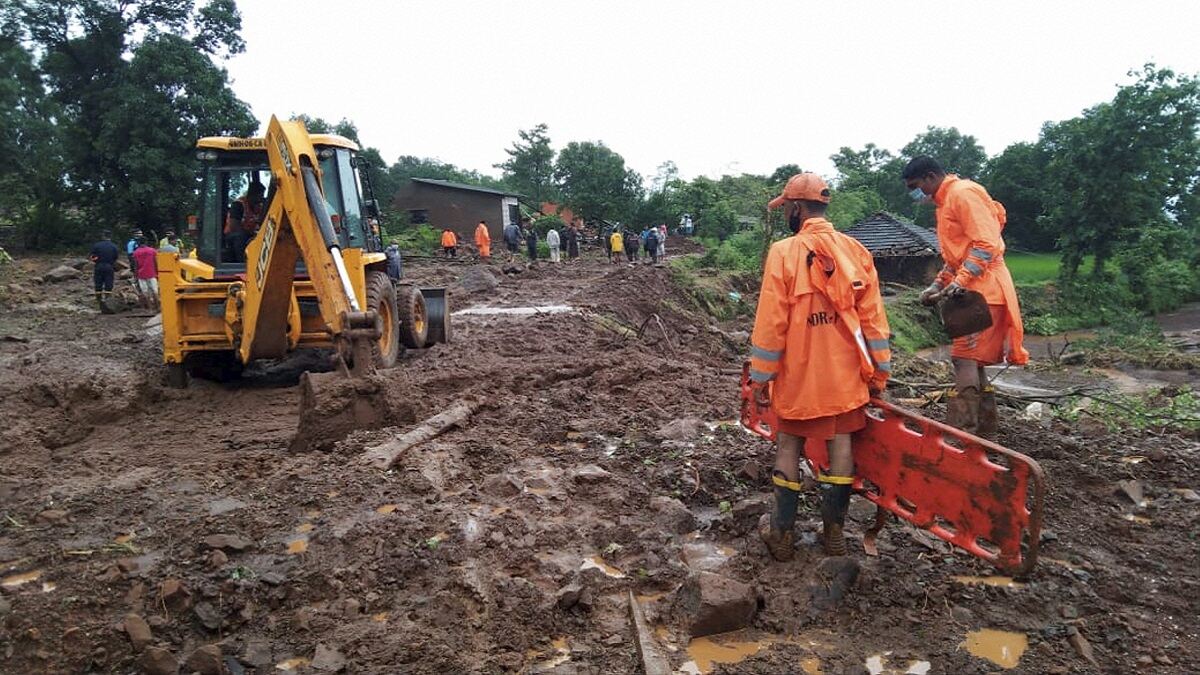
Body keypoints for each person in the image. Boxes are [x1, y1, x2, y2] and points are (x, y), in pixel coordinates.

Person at [750, 172, 891, 561]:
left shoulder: (783, 252)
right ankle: (834, 532)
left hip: (798, 375)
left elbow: (771, 322)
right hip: (845, 376)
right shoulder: (856, 251)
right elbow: (875, 322)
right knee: (840, 442)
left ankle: (781, 535)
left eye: (787, 210)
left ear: (796, 209)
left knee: (789, 444)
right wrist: (880, 374)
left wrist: (760, 378)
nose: (786, 217)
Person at [903, 156, 1029, 437]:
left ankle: (964, 434)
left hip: (984, 291)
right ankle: (984, 434)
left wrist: (957, 283)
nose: (916, 193)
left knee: (964, 360)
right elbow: (957, 256)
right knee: (974, 364)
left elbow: (985, 245)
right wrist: (937, 285)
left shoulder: (963, 194)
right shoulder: (946, 202)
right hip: (976, 289)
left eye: (916, 186)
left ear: (931, 176)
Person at [225, 181, 266, 263]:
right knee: (240, 237)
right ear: (252, 195)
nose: (261, 199)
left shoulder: (260, 206)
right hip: (232, 236)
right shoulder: (238, 205)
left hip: (250, 234)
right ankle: (242, 263)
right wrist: (252, 236)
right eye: (260, 196)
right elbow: (234, 226)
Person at [89, 231, 120, 313]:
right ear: (110, 236)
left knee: (98, 283)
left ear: (103, 236)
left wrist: (96, 260)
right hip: (109, 266)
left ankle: (98, 301)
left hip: (99, 266)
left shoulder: (97, 245)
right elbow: (116, 257)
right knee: (108, 283)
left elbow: (92, 257)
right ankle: (107, 300)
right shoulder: (114, 246)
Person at [131, 239, 161, 312]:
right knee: (155, 291)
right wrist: (157, 272)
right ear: (146, 242)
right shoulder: (152, 251)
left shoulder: (136, 252)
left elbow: (135, 265)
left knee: (145, 292)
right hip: (152, 273)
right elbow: (155, 262)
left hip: (141, 274)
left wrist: (135, 275)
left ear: (138, 243)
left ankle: (150, 308)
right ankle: (157, 307)